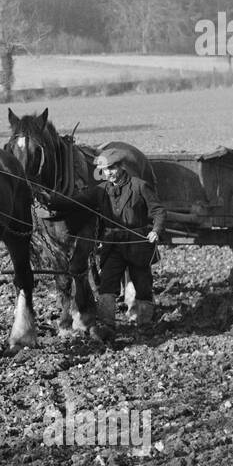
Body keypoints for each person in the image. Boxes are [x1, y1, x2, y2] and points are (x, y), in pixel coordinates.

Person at [48, 146, 166, 342]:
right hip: (112, 246)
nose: (108, 173)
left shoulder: (140, 186)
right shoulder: (100, 191)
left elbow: (158, 211)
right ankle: (107, 326)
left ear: (121, 167)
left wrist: (156, 230)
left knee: (143, 286)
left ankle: (145, 325)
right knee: (107, 287)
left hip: (138, 244)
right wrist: (51, 201)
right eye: (104, 171)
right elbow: (76, 202)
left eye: (111, 169)